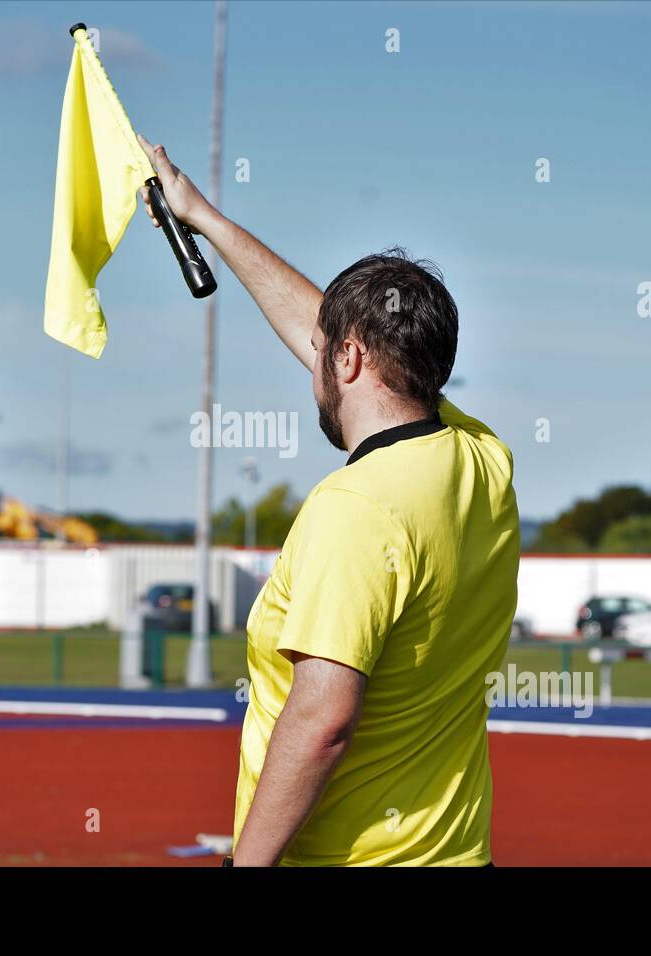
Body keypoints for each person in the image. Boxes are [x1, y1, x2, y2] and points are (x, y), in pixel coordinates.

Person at [137, 134, 520, 867]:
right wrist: (206, 221)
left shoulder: (355, 508)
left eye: (326, 351)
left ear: (346, 359)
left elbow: (322, 721)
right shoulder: (482, 459)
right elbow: (332, 331)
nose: (312, 357)